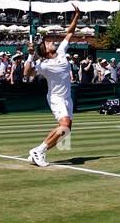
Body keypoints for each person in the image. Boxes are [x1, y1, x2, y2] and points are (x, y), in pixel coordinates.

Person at [24, 9, 82, 168]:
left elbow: (70, 32)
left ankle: (38, 151)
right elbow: (27, 73)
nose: (51, 42)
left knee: (66, 130)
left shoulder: (61, 50)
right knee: (64, 123)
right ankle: (39, 150)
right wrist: (30, 55)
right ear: (45, 51)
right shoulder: (44, 65)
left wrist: (77, 15)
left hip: (67, 97)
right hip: (56, 98)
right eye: (48, 43)